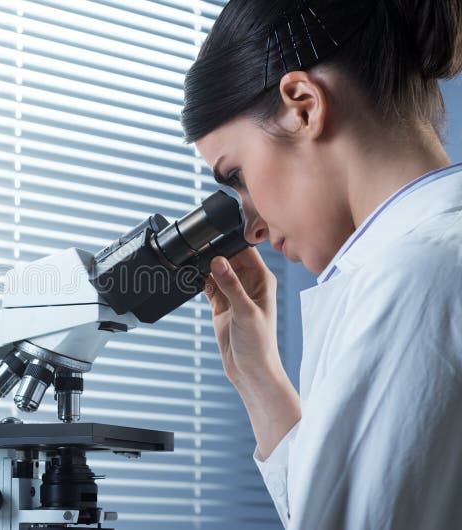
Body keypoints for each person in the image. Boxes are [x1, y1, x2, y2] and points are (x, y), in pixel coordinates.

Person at [180, 0, 462, 528]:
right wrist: (258, 376)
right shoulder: (413, 262)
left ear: (303, 106)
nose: (251, 228)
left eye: (237, 174)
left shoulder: (414, 278)